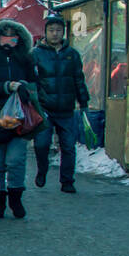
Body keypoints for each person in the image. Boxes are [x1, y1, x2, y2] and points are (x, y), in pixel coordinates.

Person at [0, 19, 39, 219]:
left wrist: (24, 86)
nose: (8, 40)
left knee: (15, 160)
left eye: (13, 36)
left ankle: (15, 196)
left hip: (20, 116)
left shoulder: (26, 59)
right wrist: (6, 86)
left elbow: (36, 84)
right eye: (4, 36)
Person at [32, 13, 89, 193]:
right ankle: (42, 170)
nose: (55, 34)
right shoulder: (36, 54)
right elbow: (31, 80)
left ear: (63, 32)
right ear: (45, 32)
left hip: (66, 109)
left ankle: (67, 181)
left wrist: (83, 101)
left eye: (58, 30)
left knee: (68, 147)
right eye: (51, 30)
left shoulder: (72, 54)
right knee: (41, 144)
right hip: (44, 108)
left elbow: (78, 79)